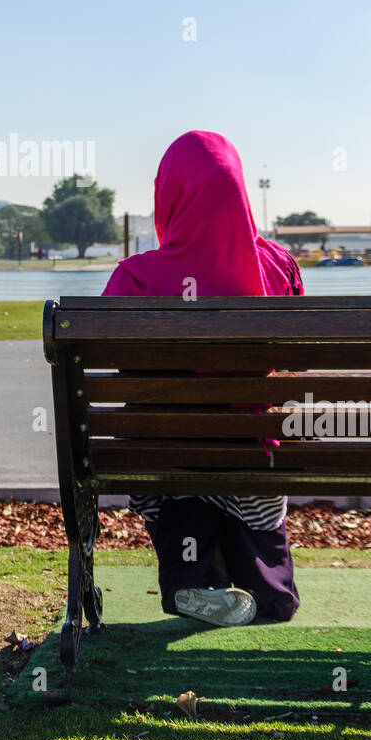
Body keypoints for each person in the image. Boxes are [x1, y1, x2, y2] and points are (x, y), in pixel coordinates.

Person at [102, 130, 303, 628]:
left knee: (163, 436)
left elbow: (109, 361)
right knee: (275, 605)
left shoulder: (136, 279)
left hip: (168, 464)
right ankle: (267, 589)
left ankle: (192, 581)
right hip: (255, 462)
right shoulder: (279, 268)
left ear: (169, 195)